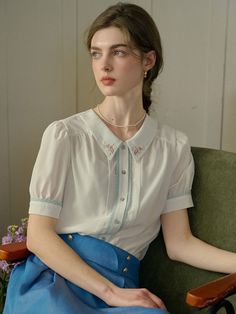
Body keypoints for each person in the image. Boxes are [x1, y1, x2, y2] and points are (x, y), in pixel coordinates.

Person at [3, 2, 236, 314]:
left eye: (119, 52)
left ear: (148, 61)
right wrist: (110, 293)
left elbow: (179, 243)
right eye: (96, 53)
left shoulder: (173, 148)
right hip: (54, 280)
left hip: (125, 289)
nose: (104, 65)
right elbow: (40, 236)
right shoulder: (65, 136)